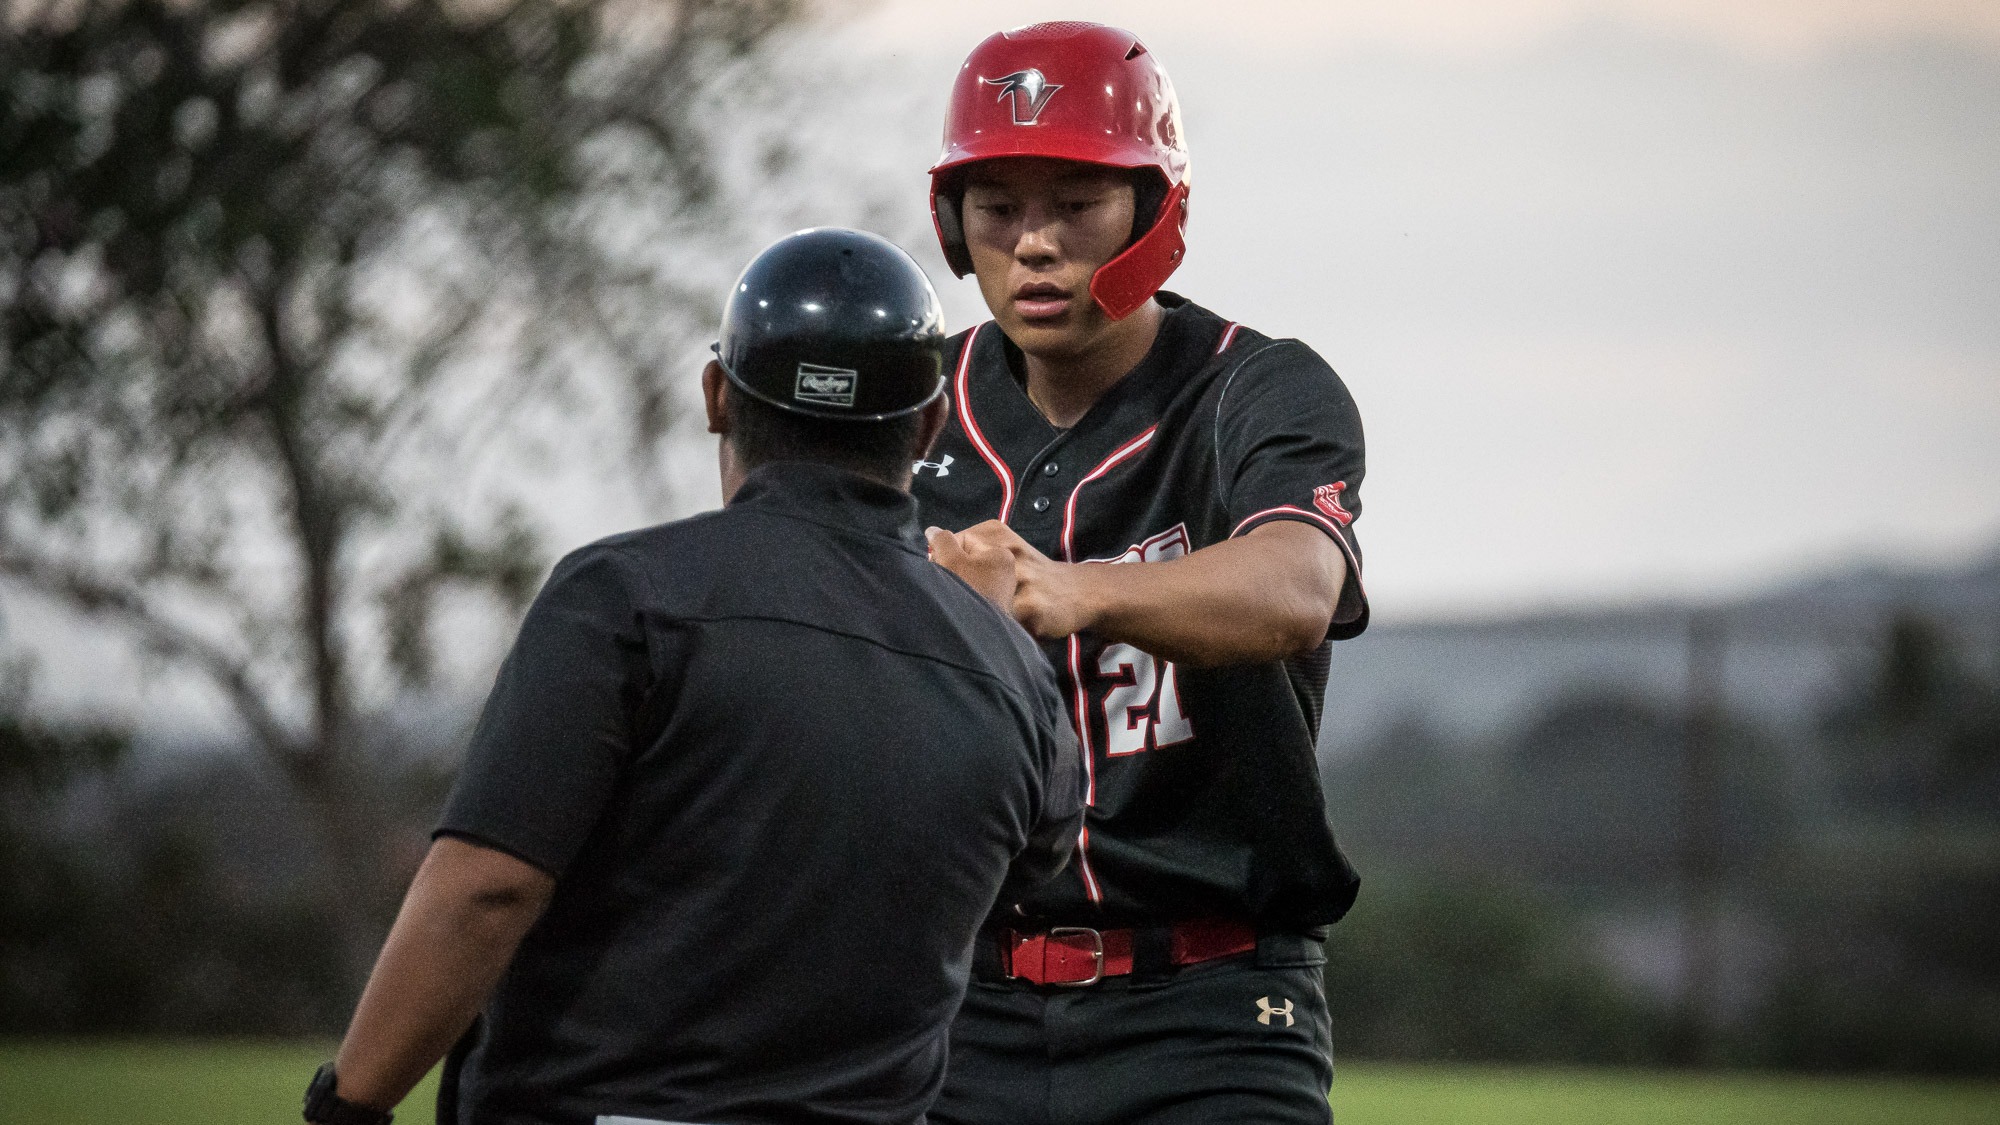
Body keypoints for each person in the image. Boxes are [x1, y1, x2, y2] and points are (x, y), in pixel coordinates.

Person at [302, 228, 1083, 1125]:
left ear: (716, 395)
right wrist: (974, 626)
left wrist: (348, 1107)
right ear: (932, 423)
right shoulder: (1009, 670)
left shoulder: (623, 597)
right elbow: (1030, 861)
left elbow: (488, 886)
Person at [913, 23, 1370, 1125]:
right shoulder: (910, 404)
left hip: (1209, 1010)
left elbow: (1297, 586)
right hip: (948, 1009)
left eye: (1075, 201)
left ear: (1153, 208)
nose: (1032, 242)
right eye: (997, 205)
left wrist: (1073, 588)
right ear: (950, 221)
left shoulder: (1257, 390)